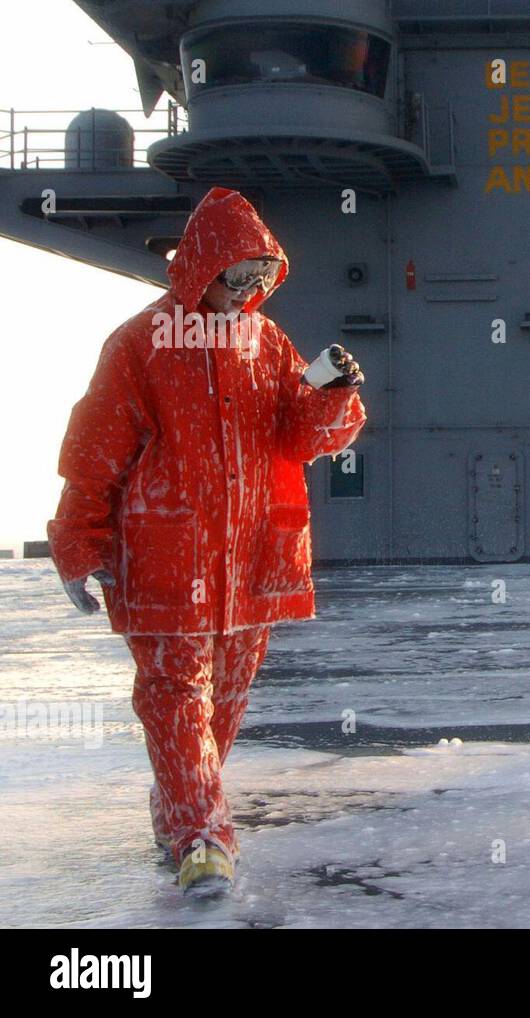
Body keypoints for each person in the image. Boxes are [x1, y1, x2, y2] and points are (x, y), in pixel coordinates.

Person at [47, 186, 366, 897]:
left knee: (220, 704)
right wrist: (78, 543)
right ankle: (202, 837)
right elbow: (95, 450)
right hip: (165, 561)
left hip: (252, 562)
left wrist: (332, 394)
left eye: (261, 274)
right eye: (237, 273)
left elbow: (307, 438)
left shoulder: (268, 345)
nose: (249, 288)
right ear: (202, 268)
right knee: (174, 697)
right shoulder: (140, 345)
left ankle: (178, 818)